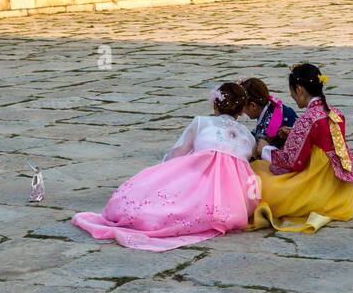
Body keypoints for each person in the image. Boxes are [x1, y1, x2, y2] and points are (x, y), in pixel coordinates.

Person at [73, 83, 261, 251]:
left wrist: (165, 171)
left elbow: (178, 151)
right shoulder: (247, 135)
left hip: (202, 175)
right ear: (242, 110)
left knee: (166, 194)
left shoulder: (201, 122)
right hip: (233, 197)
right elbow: (246, 156)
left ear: (214, 104)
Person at [249, 63, 353, 233]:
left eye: (292, 91)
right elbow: (324, 141)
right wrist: (295, 133)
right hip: (335, 175)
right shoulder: (334, 113)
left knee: (260, 176)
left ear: (299, 89)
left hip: (316, 178)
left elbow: (292, 161)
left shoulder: (307, 119)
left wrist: (265, 149)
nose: (292, 96)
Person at [239, 77, 298, 151]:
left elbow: (259, 148)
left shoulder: (270, 126)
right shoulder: (271, 106)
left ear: (253, 105)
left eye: (243, 107)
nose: (243, 111)